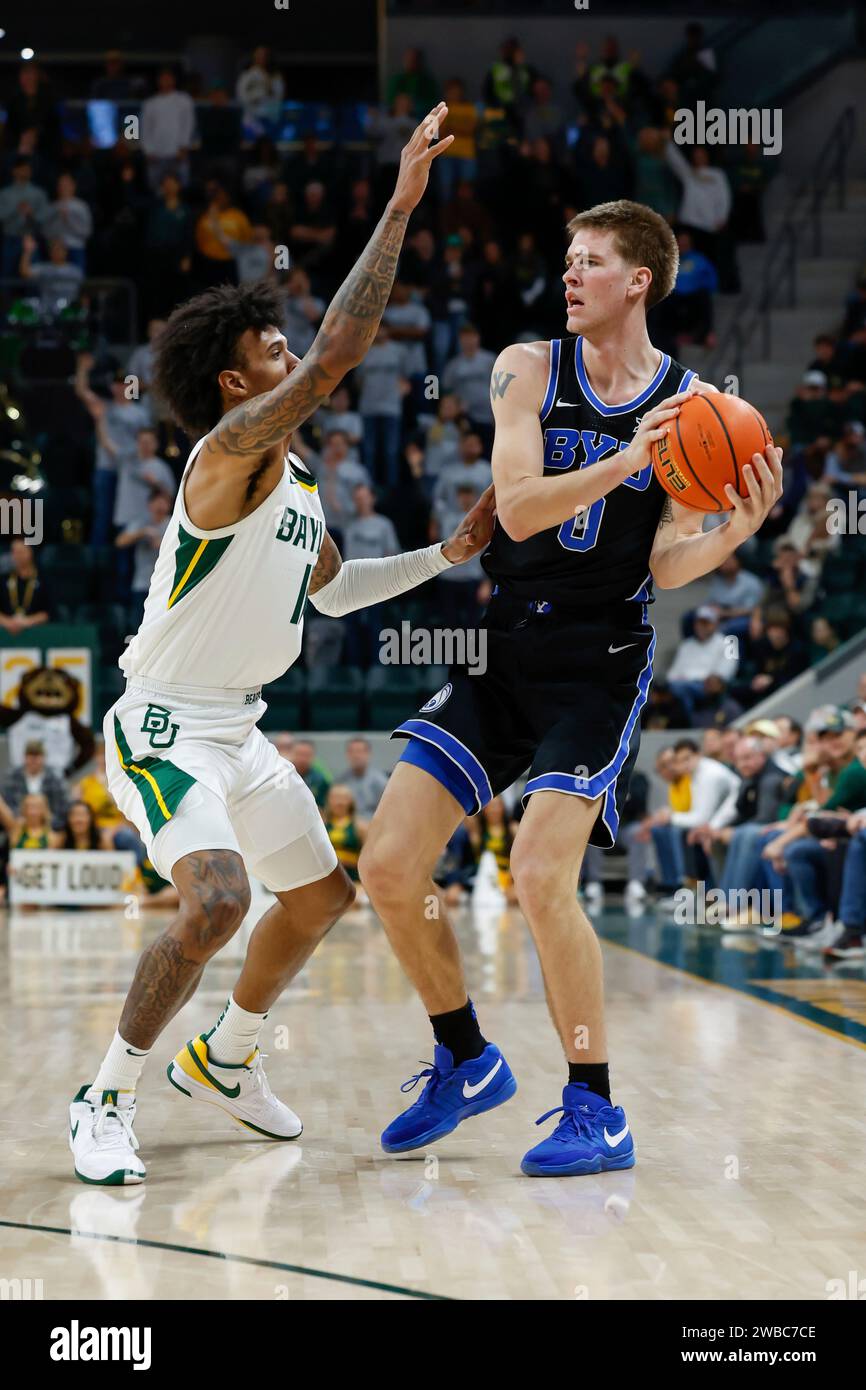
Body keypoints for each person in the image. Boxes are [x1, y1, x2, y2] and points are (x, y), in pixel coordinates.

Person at [67, 104, 496, 1188]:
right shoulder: (227, 454)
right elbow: (345, 349)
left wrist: (445, 550)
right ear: (236, 383)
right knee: (216, 898)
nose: (296, 356)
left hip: (241, 726)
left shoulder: (298, 480)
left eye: (289, 344)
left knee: (318, 900)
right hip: (164, 719)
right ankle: (106, 1093)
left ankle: (226, 1056)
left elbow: (337, 593)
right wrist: (399, 201)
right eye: (275, 350)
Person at [360, 197, 782, 1177]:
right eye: (568, 260)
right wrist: (628, 457)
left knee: (539, 872)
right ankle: (464, 1059)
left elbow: (670, 563)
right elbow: (512, 511)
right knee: (386, 866)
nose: (569, 275)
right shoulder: (524, 367)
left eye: (588, 261)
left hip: (597, 662)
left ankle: (594, 1106)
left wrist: (730, 533)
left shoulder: (690, 407)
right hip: (501, 644)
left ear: (638, 280)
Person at [2, 737, 68, 830]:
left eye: (37, 755)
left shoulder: (55, 778)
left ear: (44, 757)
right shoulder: (11, 777)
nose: (33, 759)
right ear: (24, 757)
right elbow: (8, 804)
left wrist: (47, 823)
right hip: (18, 827)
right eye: (30, 755)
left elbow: (61, 809)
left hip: (49, 828)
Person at [337, 737, 388, 820]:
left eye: (360, 751)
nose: (356, 756)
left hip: (373, 824)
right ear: (347, 754)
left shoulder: (381, 781)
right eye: (352, 752)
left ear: (369, 754)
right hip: (347, 826)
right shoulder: (340, 781)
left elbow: (386, 811)